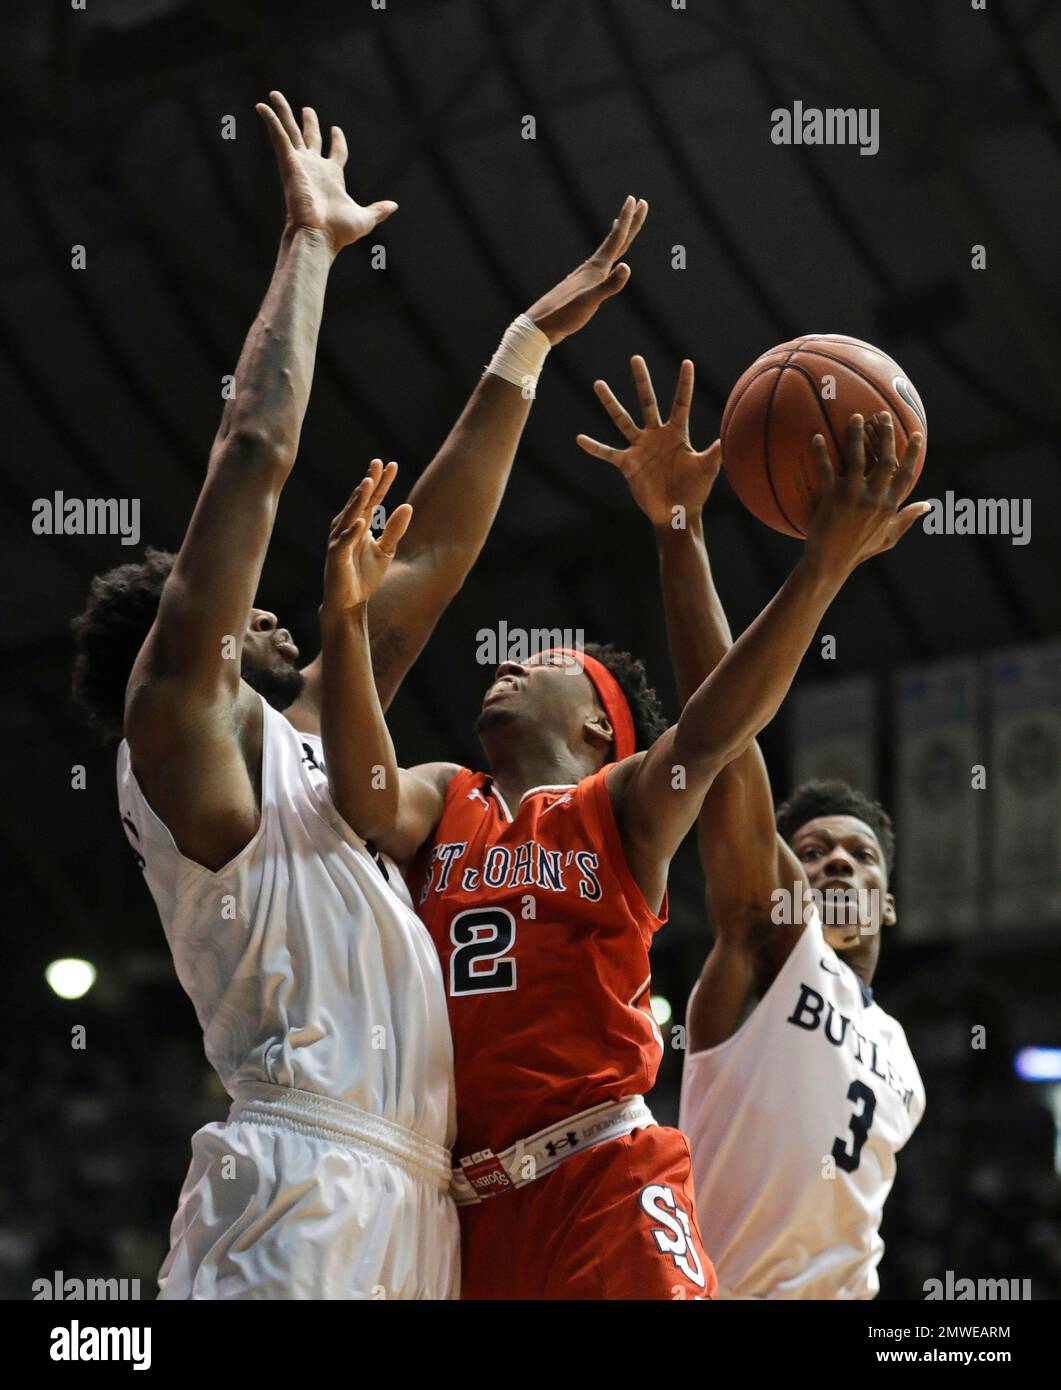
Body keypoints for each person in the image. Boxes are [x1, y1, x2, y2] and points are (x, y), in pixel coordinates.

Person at [70, 86, 648, 1298]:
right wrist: (308, 246)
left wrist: (525, 345)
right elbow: (255, 451)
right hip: (299, 1175)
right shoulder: (182, 728)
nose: (274, 607)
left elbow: (430, 558)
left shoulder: (305, 748)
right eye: (247, 608)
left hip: (418, 1199)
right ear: (184, 637)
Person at [326, 359, 928, 1299]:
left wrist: (810, 564)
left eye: (545, 661)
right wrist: (349, 624)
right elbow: (361, 795)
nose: (512, 666)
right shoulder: (448, 796)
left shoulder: (618, 807)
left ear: (600, 726)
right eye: (814, 851)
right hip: (474, 1198)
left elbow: (716, 731)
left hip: (608, 1176)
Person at [581, 356, 926, 1299]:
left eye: (857, 856)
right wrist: (681, 530)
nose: (833, 866)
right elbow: (722, 745)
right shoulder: (773, 944)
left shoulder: (900, 1055)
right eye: (810, 852)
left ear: (888, 904)